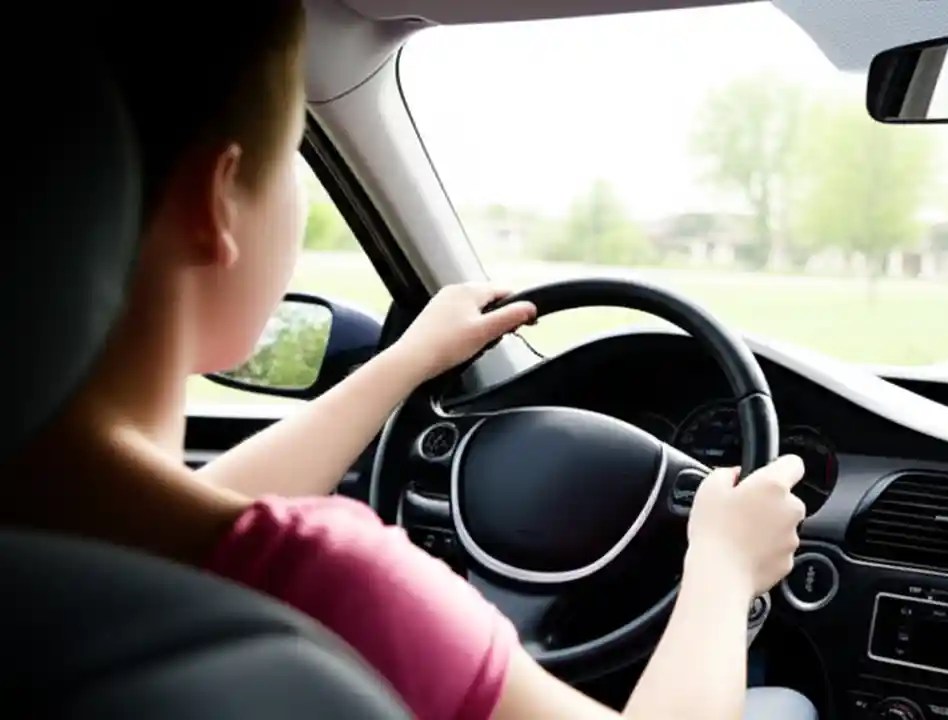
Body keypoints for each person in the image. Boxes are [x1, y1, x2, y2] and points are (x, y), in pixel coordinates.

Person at [4, 2, 816, 719]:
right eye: (292, 160)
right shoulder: (344, 589)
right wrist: (723, 566)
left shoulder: (66, 522)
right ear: (215, 202)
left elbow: (198, 519)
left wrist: (407, 362)